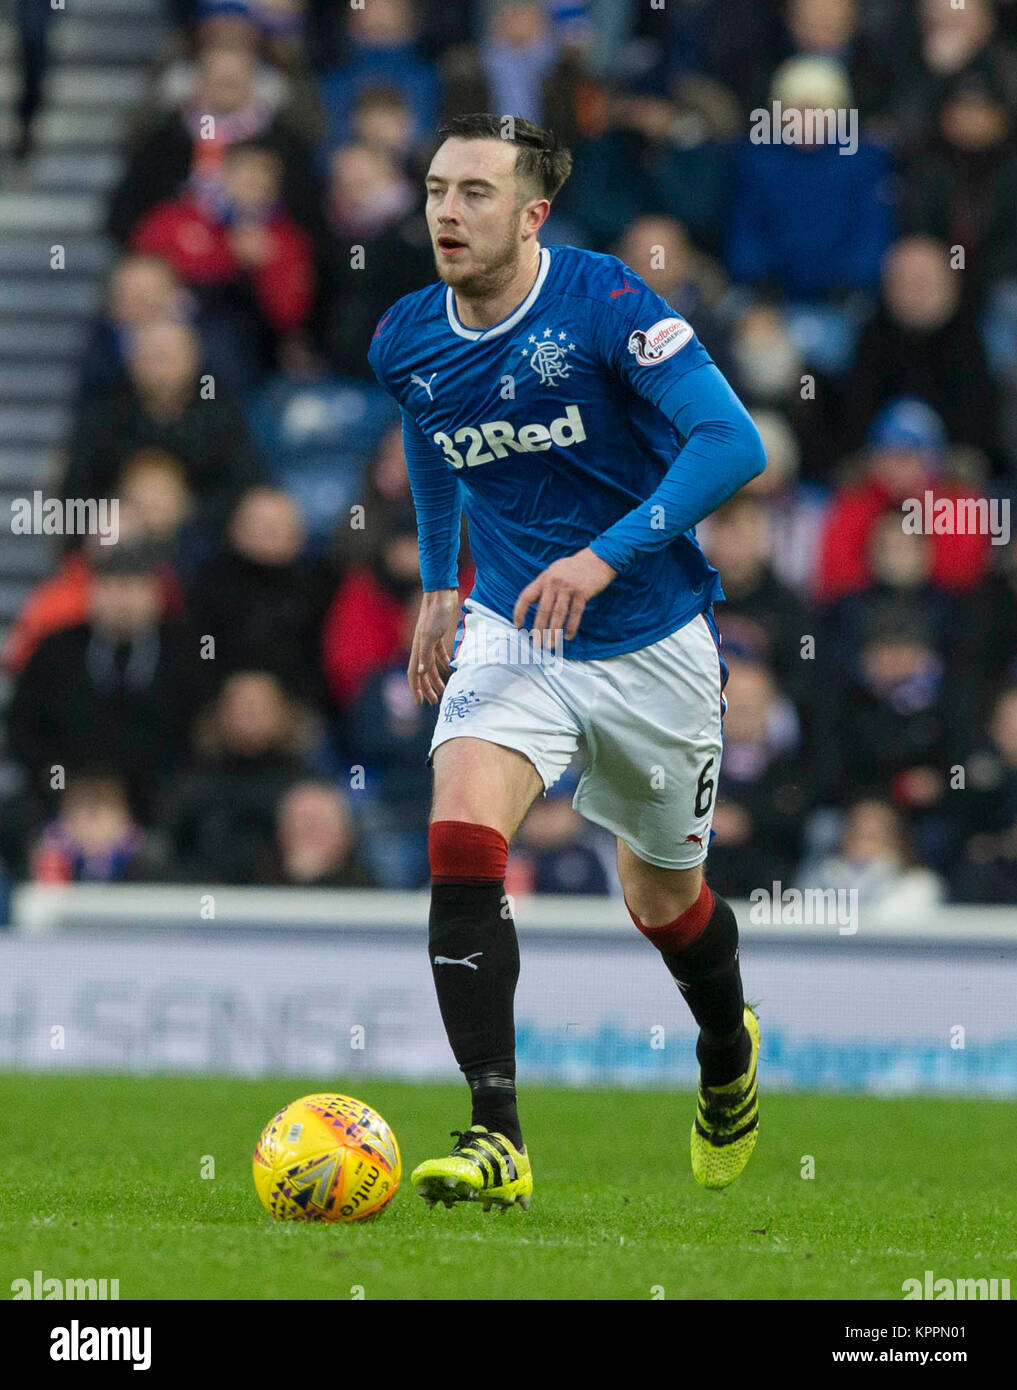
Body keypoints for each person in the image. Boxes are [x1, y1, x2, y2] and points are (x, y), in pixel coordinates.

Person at [368, 114, 767, 1211]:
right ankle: (498, 1134)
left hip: (652, 639)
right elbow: (431, 426)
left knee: (662, 894)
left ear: (533, 214)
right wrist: (442, 583)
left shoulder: (604, 300)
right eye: (438, 188)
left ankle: (727, 1048)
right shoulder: (406, 335)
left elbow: (736, 442)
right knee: (458, 826)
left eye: (477, 194)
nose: (448, 211)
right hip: (511, 627)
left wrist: (604, 554)